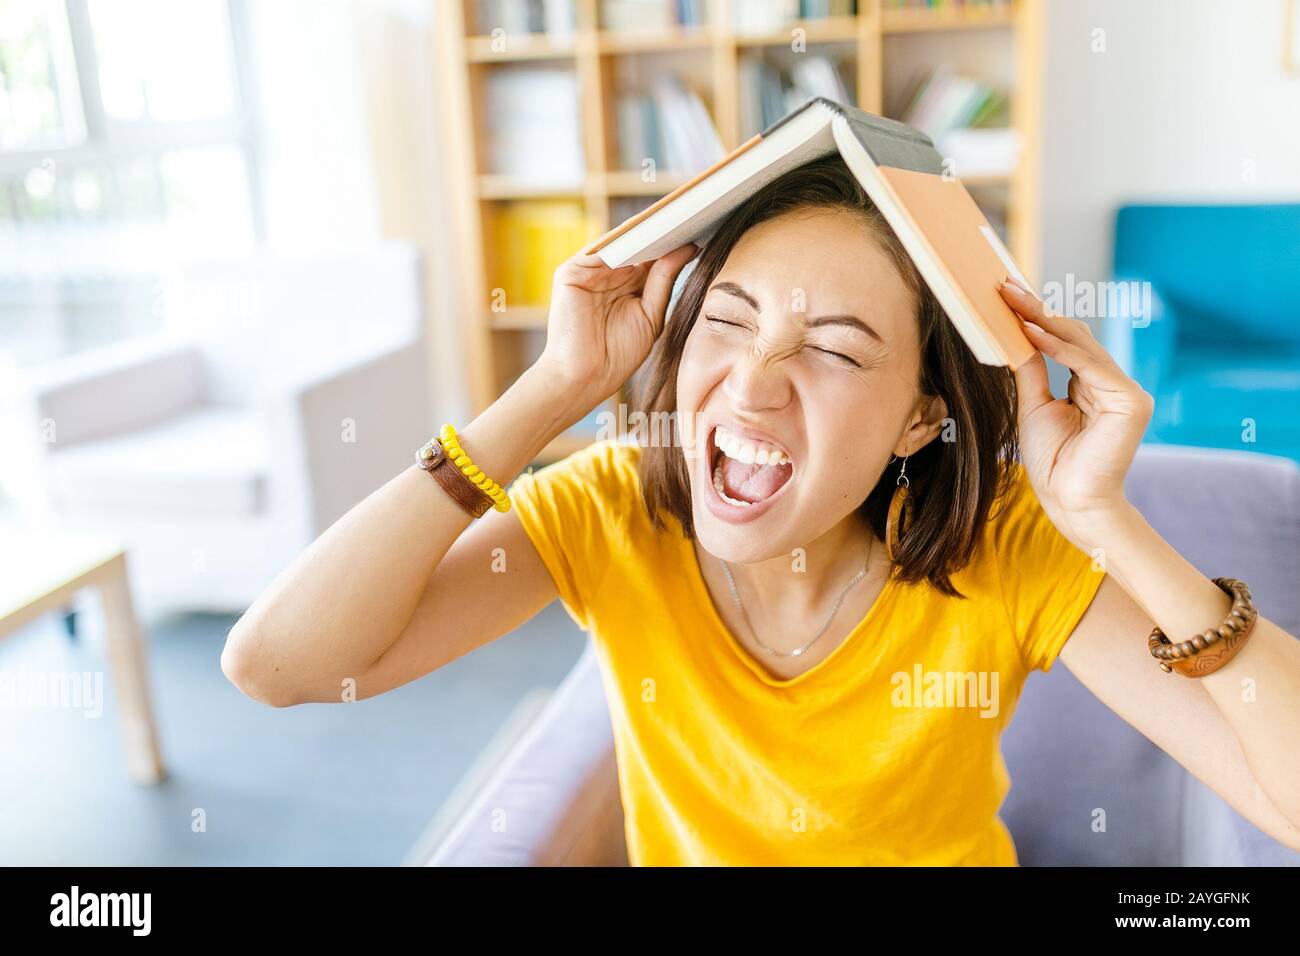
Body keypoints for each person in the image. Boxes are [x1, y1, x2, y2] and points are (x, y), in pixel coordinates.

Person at [221, 156, 1300, 865]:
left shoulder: (1001, 543)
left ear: (920, 418)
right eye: (725, 323)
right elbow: (280, 665)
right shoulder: (614, 511)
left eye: (833, 347)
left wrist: (1108, 520)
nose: (751, 382)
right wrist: (549, 391)